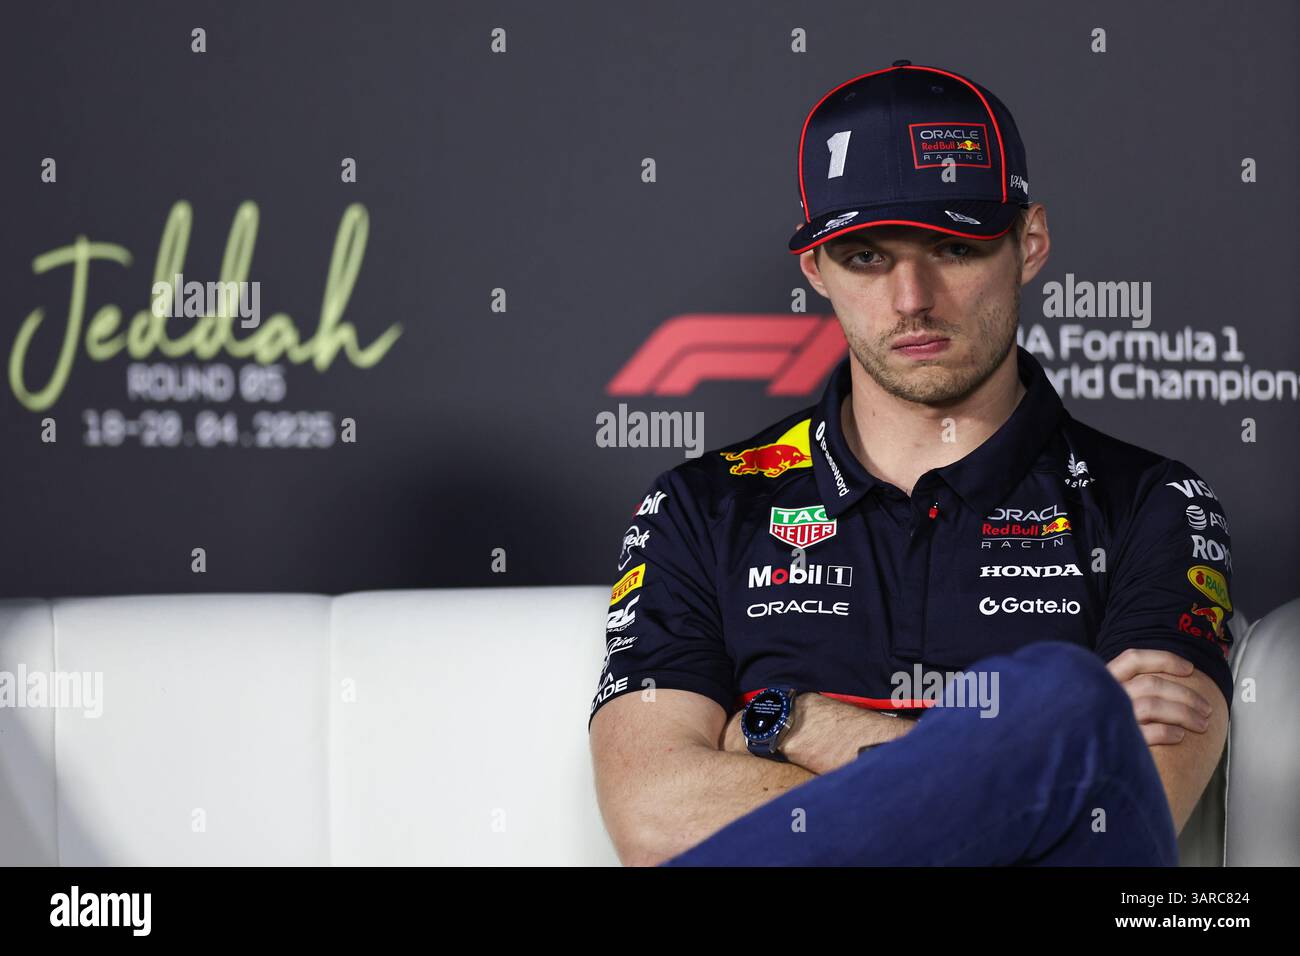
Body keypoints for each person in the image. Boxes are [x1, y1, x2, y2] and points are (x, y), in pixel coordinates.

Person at [588, 60, 1234, 866]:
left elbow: (1122, 811)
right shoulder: (702, 506)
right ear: (814, 271)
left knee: (1060, 697)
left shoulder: (1151, 503)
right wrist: (1015, 764)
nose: (911, 299)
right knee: (1065, 707)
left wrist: (793, 723)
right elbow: (652, 819)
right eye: (865, 257)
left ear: (1028, 243)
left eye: (952, 245)